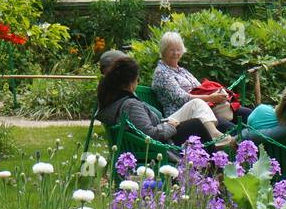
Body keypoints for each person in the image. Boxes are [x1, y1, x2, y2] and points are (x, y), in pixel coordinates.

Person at [97, 56, 235, 148]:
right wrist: (170, 126)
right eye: (137, 80)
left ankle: (217, 139)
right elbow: (150, 135)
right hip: (162, 142)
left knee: (197, 105)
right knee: (196, 124)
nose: (137, 84)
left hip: (162, 128)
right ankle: (215, 165)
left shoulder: (118, 100)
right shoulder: (130, 105)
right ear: (129, 83)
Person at [150, 31, 249, 127]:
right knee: (229, 127)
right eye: (171, 50)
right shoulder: (161, 73)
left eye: (178, 49)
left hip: (204, 110)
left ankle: (259, 140)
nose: (176, 53)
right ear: (163, 51)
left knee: (246, 113)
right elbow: (181, 99)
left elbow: (200, 88)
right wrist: (211, 98)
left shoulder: (182, 70)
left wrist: (218, 95)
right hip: (183, 117)